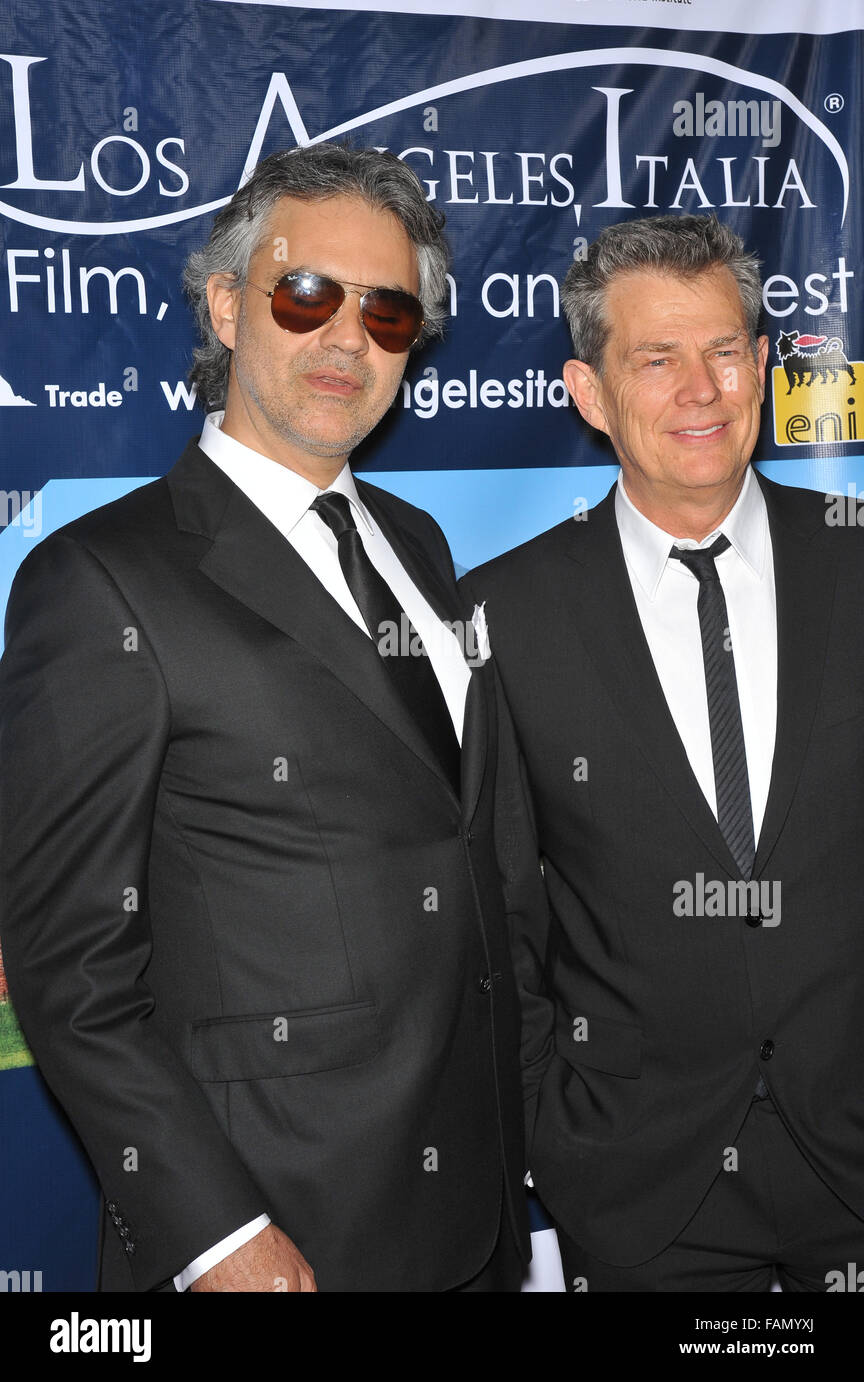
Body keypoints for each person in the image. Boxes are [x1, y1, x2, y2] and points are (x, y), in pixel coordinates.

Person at [0, 144, 542, 1293]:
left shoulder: (421, 547)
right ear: (225, 307)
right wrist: (215, 1234)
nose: (349, 336)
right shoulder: (99, 579)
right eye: (308, 294)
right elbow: (69, 966)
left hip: (479, 1218)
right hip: (276, 1229)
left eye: (390, 313)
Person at [462, 214, 864, 1292]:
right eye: (656, 359)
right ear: (589, 393)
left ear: (765, 365)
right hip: (641, 1184)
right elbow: (497, 915)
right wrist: (554, 1125)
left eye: (726, 351)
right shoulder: (502, 614)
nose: (703, 389)